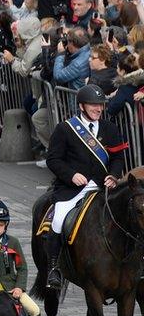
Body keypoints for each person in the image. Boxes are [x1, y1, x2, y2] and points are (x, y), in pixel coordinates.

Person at [43, 84, 125, 290]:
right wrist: (71, 175)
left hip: (102, 187)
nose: (98, 109)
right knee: (59, 219)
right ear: (81, 106)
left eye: (101, 105)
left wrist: (114, 176)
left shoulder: (110, 128)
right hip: (72, 189)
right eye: (93, 105)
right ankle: (54, 268)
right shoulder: (65, 129)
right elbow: (53, 159)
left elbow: (117, 158)